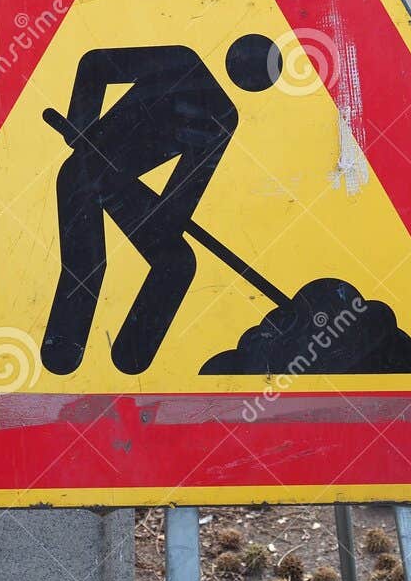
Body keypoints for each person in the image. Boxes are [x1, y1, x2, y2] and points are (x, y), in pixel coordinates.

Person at [41, 35, 281, 375]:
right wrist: (82, 124)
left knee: (177, 261)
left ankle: (131, 357)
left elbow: (185, 189)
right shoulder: (181, 61)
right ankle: (62, 351)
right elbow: (95, 65)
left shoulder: (224, 118)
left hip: (120, 185)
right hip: (81, 174)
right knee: (86, 264)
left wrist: (169, 222)